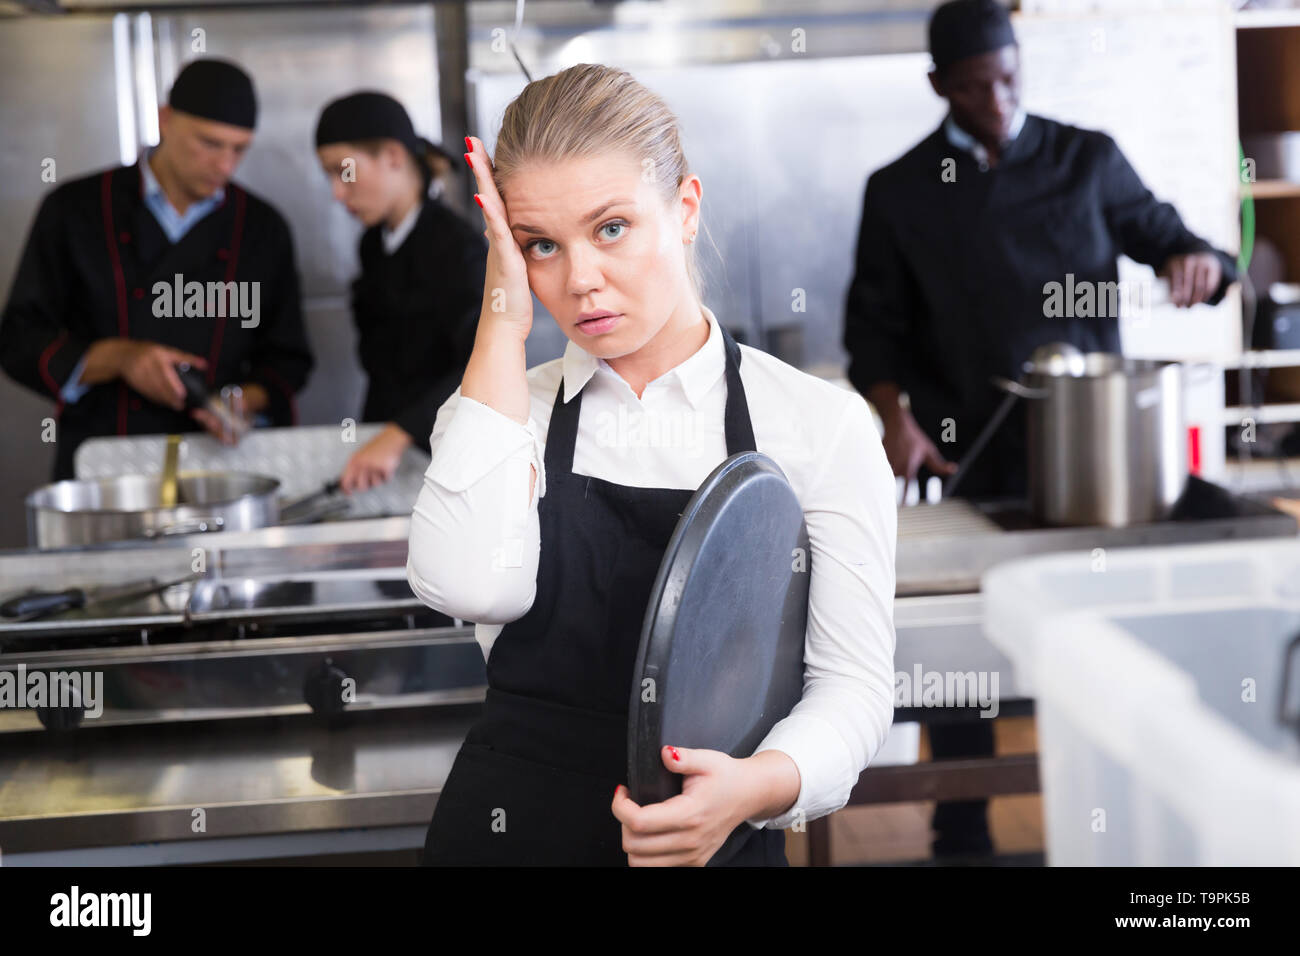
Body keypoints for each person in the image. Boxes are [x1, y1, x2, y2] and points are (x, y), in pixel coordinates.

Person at [407, 64, 898, 866]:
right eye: (540, 246)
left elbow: (853, 687)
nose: (581, 281)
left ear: (685, 208)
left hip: (712, 841)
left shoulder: (819, 423)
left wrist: (756, 785)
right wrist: (500, 321)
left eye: (610, 228)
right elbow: (468, 586)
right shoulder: (505, 410)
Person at [842, 0, 1238, 858]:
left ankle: (1127, 822)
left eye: (1011, 74)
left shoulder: (1086, 159)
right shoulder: (903, 191)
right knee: (968, 667)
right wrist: (894, 417)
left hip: (1103, 467)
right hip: (975, 463)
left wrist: (1195, 264)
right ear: (940, 84)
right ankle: (961, 832)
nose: (1000, 97)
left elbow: (1181, 247)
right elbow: (872, 333)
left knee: (1110, 647)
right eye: (978, 85)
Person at [0, 58, 313, 481]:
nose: (224, 165)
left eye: (239, 149)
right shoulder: (75, 210)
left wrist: (238, 401)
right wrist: (120, 359)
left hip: (221, 469)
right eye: (209, 143)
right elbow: (19, 340)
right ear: (165, 120)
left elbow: (289, 358)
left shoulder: (261, 228)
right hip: (103, 467)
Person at [315, 92, 487, 493]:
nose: (338, 193)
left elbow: (484, 362)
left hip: (451, 459)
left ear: (392, 156)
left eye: (344, 172)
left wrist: (399, 434)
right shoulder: (373, 245)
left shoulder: (457, 248)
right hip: (388, 460)